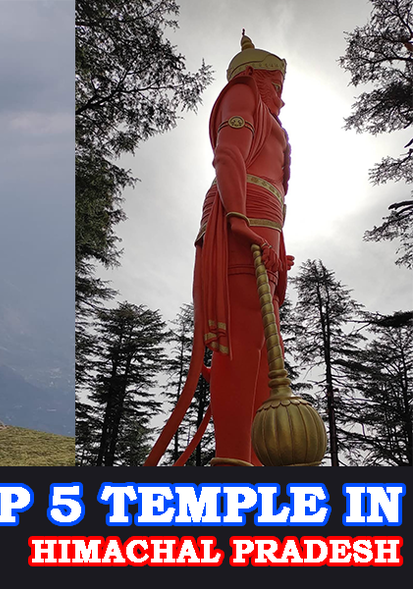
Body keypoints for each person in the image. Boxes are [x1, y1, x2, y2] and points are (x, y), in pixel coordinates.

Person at [148, 34, 298, 467]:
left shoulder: (269, 116)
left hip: (264, 229)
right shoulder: (242, 93)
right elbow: (229, 156)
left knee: (266, 352)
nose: (281, 100)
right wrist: (237, 218)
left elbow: (273, 191)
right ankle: (234, 463)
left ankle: (261, 461)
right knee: (242, 340)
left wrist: (277, 246)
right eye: (278, 86)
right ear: (255, 76)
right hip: (241, 224)